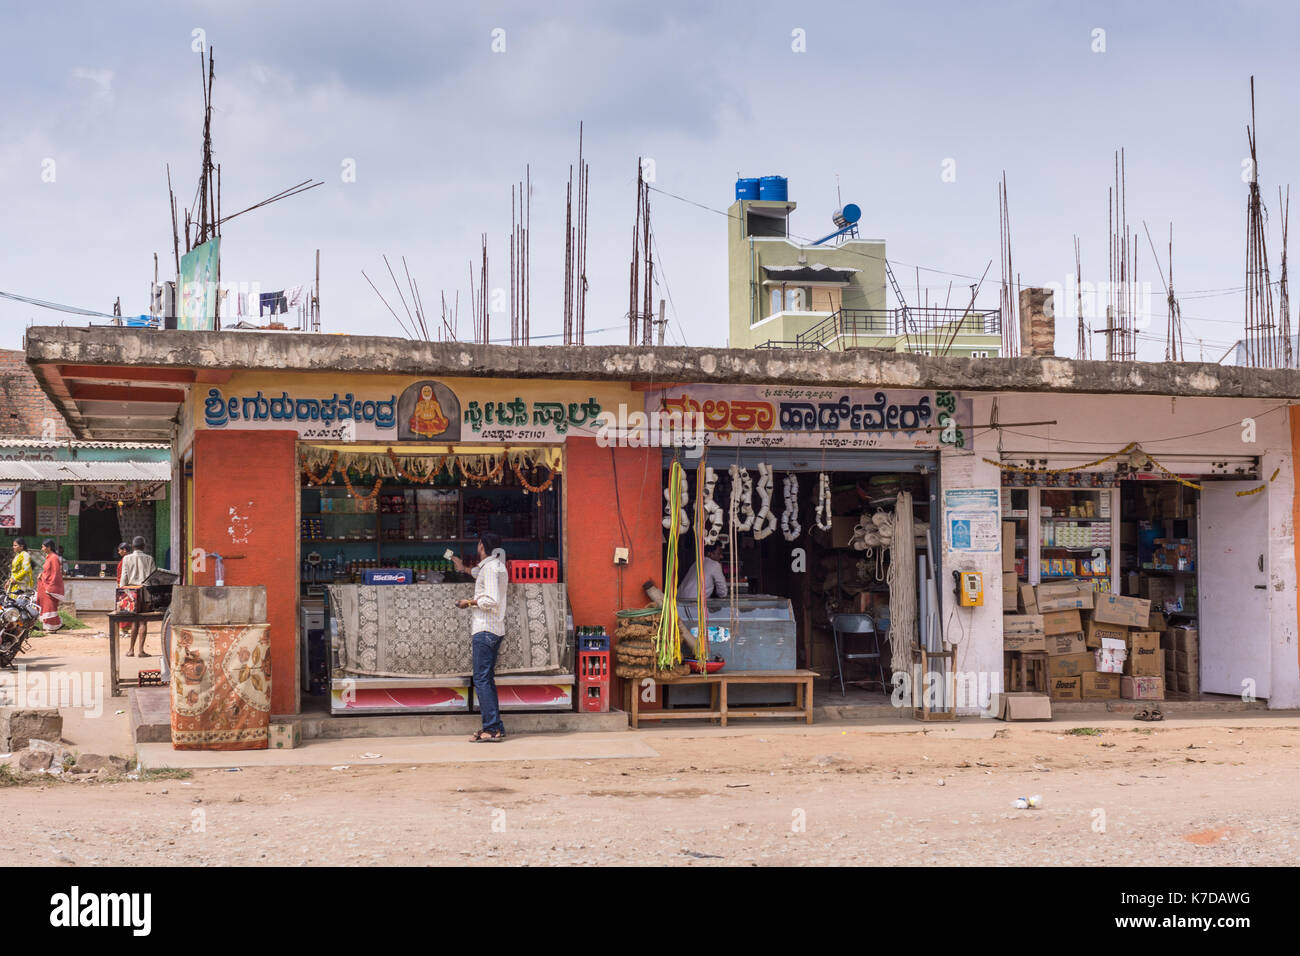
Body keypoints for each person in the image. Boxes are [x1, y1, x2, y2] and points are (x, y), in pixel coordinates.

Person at [452, 532, 509, 742]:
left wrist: (469, 601)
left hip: (485, 629)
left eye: (478, 543)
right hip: (493, 629)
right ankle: (496, 726)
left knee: (482, 679)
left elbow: (491, 599)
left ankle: (491, 729)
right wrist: (462, 567)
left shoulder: (491, 568)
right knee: (486, 679)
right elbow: (478, 574)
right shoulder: (494, 566)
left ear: (482, 545)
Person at [119, 536, 157, 657]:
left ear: (133, 546)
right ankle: (140, 651)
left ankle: (131, 650)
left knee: (134, 622)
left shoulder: (127, 559)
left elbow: (124, 578)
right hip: (145, 592)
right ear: (143, 546)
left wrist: (121, 592)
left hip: (131, 593)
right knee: (143, 622)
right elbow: (153, 578)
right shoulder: (149, 559)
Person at [36, 539, 64, 631]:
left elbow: (55, 573)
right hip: (45, 584)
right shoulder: (49, 557)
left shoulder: (54, 557)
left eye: (43, 546)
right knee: (46, 605)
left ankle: (54, 626)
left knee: (50, 606)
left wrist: (51, 586)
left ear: (49, 547)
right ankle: (51, 626)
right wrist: (42, 574)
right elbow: (47, 571)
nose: (42, 548)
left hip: (50, 586)